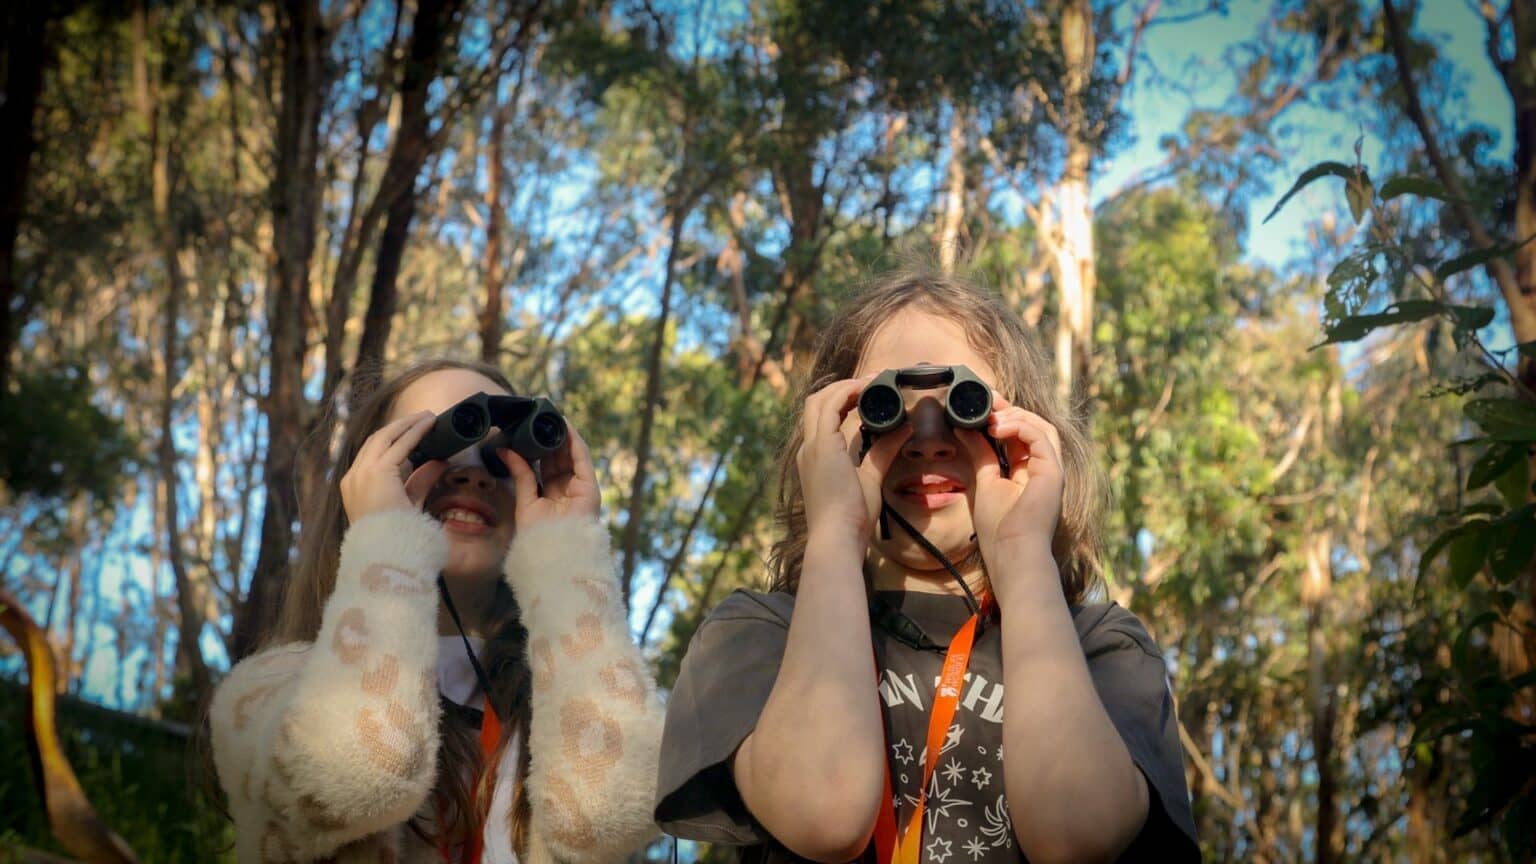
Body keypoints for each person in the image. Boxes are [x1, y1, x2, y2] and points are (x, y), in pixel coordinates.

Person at [655, 261, 1200, 862]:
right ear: (828, 433)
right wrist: (836, 529)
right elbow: (824, 812)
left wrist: (1021, 556)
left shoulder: (1102, 648)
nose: (929, 439)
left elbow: (1076, 836)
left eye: (967, 405)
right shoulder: (757, 638)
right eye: (886, 408)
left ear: (1024, 429)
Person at [210, 359, 662, 863]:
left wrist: (566, 553)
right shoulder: (269, 690)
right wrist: (387, 539)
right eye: (437, 448)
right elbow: (361, 770)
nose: (472, 475)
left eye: (501, 457)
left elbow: (611, 813)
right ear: (364, 483)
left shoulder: (552, 714)